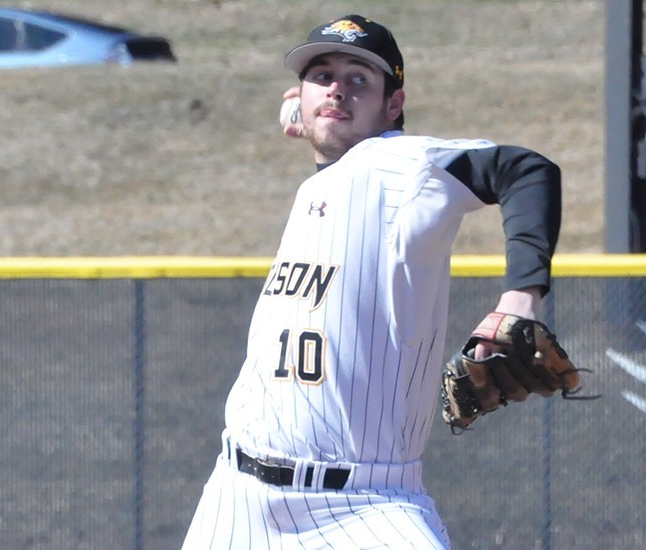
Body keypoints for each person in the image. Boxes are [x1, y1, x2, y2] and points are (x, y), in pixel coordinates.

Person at [182, 14, 562, 548]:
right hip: (236, 495)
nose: (337, 88)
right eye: (322, 76)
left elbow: (527, 171)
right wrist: (314, 119)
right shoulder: (328, 180)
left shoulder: (401, 164)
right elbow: (331, 141)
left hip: (363, 505)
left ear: (394, 106)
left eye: (359, 79)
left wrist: (522, 301)